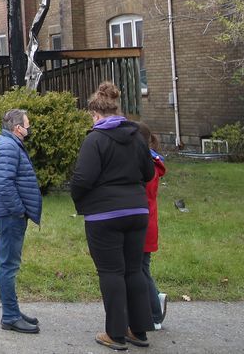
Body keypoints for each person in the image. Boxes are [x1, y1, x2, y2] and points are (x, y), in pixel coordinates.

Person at [71, 82, 155, 351]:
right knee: (134, 270)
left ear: (95, 114)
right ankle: (138, 330)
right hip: (137, 211)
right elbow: (149, 173)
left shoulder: (94, 139)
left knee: (111, 272)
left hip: (104, 215)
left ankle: (115, 334)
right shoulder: (136, 136)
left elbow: (82, 179)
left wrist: (81, 201)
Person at [0, 108, 42, 334]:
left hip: (5, 213)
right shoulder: (8, 147)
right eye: (27, 125)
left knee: (6, 264)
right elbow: (4, 184)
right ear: (18, 128)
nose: (29, 128)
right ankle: (10, 316)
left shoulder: (8, 144)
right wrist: (18, 211)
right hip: (8, 215)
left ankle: (12, 310)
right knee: (8, 265)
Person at [136, 121, 168, 330]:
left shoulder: (148, 165)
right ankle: (154, 299)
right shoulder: (150, 161)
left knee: (141, 270)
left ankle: (155, 314)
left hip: (144, 225)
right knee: (140, 268)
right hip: (146, 223)